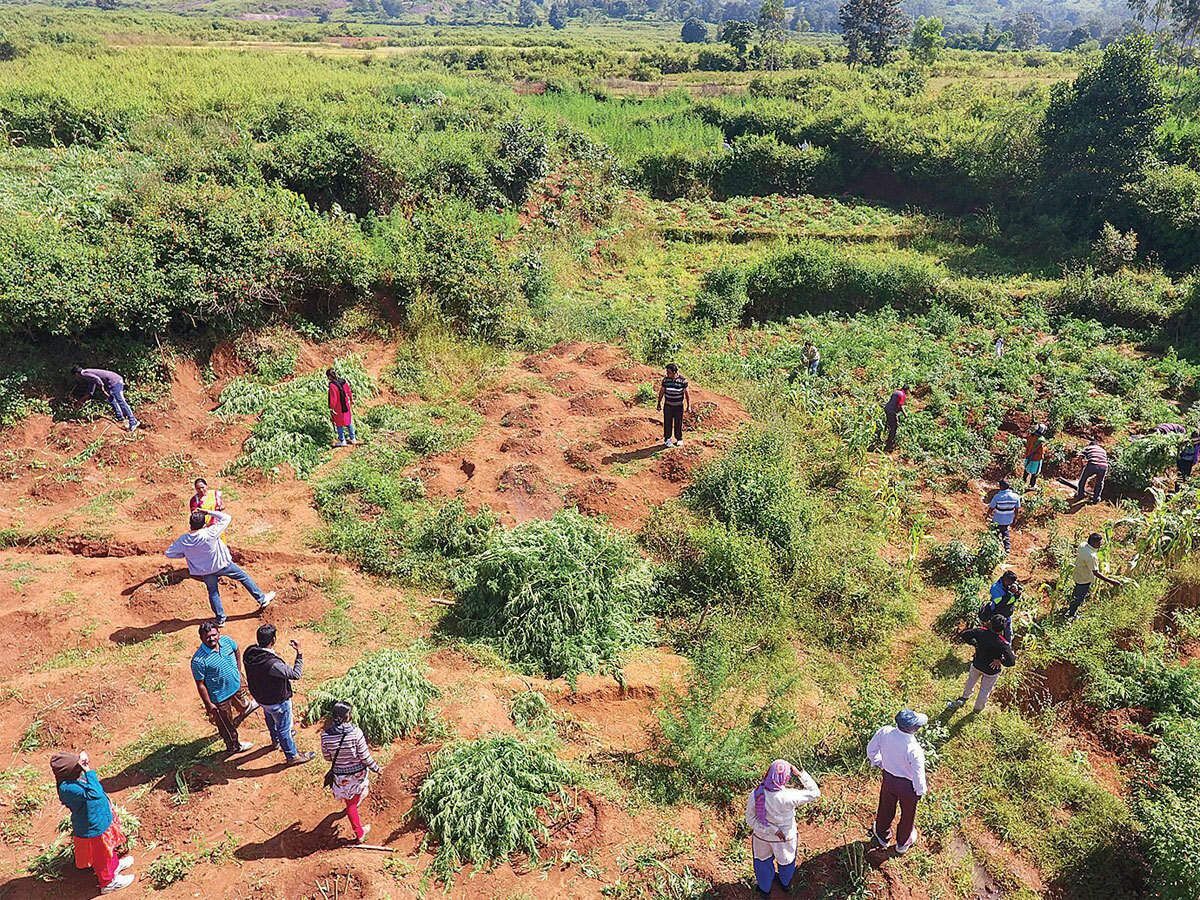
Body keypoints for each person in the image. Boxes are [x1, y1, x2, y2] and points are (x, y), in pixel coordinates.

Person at [165, 508, 274, 625]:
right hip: (222, 565)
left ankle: (220, 619)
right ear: (204, 524)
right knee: (243, 577)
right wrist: (208, 512)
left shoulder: (184, 540)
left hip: (205, 571)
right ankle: (262, 599)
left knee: (213, 592)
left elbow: (169, 553)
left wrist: (186, 553)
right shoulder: (210, 532)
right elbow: (226, 518)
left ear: (190, 524)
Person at [52, 750, 135, 893]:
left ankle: (114, 867)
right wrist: (88, 770)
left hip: (100, 820)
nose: (80, 768)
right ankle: (108, 882)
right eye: (77, 766)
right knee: (101, 855)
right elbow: (95, 793)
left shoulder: (74, 778)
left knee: (108, 849)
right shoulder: (67, 788)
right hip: (93, 827)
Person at [744, 760, 820, 898]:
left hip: (762, 838)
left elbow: (750, 819)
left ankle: (764, 890)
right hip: (785, 838)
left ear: (768, 774)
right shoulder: (789, 796)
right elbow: (815, 793)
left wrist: (770, 829)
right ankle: (784, 885)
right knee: (786, 862)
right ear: (785, 777)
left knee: (762, 863)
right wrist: (800, 774)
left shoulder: (756, 794)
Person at [244, 624, 315, 766]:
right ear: (273, 640)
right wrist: (299, 653)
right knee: (285, 729)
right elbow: (295, 674)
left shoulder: (250, 652)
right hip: (277, 701)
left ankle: (275, 740)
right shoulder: (272, 664)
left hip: (261, 698)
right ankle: (292, 755)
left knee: (270, 718)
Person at [867, 710, 928, 855]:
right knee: (908, 814)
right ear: (915, 729)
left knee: (885, 806)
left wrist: (879, 763)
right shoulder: (914, 749)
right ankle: (902, 843)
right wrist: (920, 792)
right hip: (908, 786)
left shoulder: (885, 732)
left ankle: (882, 835)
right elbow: (918, 776)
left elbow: (871, 750)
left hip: (888, 778)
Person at [191, 621, 258, 754]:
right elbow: (201, 684)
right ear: (201, 638)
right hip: (219, 697)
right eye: (207, 637)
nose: (212, 638)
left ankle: (245, 708)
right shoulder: (198, 660)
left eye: (214, 635)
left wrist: (238, 670)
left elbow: (236, 649)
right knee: (226, 724)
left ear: (218, 633)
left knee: (242, 701)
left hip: (235, 684)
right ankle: (234, 746)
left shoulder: (226, 641)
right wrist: (209, 704)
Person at [321, 700, 382, 844]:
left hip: (340, 775)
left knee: (352, 797)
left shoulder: (325, 735)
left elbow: (327, 757)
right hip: (356, 774)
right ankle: (359, 833)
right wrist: (377, 769)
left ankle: (355, 798)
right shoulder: (355, 733)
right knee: (351, 805)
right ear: (348, 716)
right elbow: (365, 757)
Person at [950, 615, 1016, 713]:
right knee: (985, 690)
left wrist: (975, 644)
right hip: (991, 670)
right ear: (1003, 628)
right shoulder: (1003, 643)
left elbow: (964, 635)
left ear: (991, 623)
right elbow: (1011, 661)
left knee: (970, 681)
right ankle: (977, 709)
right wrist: (1000, 660)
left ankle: (964, 698)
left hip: (977, 663)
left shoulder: (980, 632)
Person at [1069, 532, 1120, 620]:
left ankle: (1071, 607)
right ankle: (1071, 614)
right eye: (1099, 543)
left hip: (1077, 573)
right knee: (1079, 597)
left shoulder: (1083, 545)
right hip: (1084, 578)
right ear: (1094, 543)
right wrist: (1112, 581)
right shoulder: (1091, 556)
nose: (1101, 545)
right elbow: (1095, 573)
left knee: (1076, 592)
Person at [72, 366, 139, 433]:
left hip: (115, 382)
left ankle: (133, 421)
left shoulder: (84, 373)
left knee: (121, 401)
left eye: (75, 377)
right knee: (111, 399)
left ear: (76, 374)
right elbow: (90, 392)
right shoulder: (88, 374)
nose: (76, 379)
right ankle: (120, 417)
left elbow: (97, 379)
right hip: (112, 382)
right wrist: (80, 401)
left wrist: (102, 389)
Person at [656, 362, 691, 449]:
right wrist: (659, 403)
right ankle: (667, 439)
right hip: (668, 405)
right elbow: (662, 391)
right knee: (667, 422)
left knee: (678, 422)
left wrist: (688, 405)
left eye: (669, 372)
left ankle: (679, 439)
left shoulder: (683, 381)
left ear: (675, 372)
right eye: (667, 372)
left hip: (678, 406)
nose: (667, 374)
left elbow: (686, 393)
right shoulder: (665, 380)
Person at [980, 571, 1021, 643]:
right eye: (1010, 582)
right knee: (994, 636)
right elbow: (1000, 603)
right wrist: (1010, 593)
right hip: (997, 615)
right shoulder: (995, 588)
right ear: (1005, 579)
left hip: (1007, 614)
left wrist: (1017, 595)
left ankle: (1008, 651)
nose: (1011, 584)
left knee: (1008, 635)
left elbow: (1011, 601)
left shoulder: (1011, 585)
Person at [987, 479, 1022, 555]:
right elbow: (1016, 510)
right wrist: (1014, 519)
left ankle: (994, 548)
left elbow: (991, 508)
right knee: (1005, 532)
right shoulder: (1016, 497)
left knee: (994, 533)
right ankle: (1007, 548)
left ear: (1001, 487)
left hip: (997, 519)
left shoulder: (997, 496)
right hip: (1008, 520)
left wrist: (987, 516)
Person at [1073, 437, 1109, 504]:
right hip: (1104, 466)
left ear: (1090, 444)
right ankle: (1096, 498)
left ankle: (1080, 494)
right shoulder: (1103, 450)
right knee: (1100, 482)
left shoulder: (1088, 448)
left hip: (1093, 464)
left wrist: (1081, 467)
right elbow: (1103, 459)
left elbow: (1080, 457)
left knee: (1083, 479)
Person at [327, 369, 357, 447]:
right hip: (346, 405)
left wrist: (331, 408)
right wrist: (351, 399)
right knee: (348, 421)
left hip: (338, 407)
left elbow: (334, 398)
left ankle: (342, 440)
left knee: (339, 424)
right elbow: (349, 391)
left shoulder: (332, 385)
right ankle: (353, 438)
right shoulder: (343, 381)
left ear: (329, 377)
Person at [881, 385, 909, 452]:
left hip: (887, 409)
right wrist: (905, 414)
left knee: (890, 424)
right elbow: (900, 406)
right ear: (907, 390)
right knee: (894, 427)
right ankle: (889, 445)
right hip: (891, 411)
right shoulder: (902, 395)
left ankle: (885, 438)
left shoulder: (896, 392)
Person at [1022, 424, 1047, 489]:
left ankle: (1022, 483)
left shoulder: (1031, 436)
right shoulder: (1041, 440)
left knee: (1026, 470)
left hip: (1028, 456)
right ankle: (1032, 485)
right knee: (1035, 473)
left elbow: (1027, 444)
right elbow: (1041, 451)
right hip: (1036, 459)